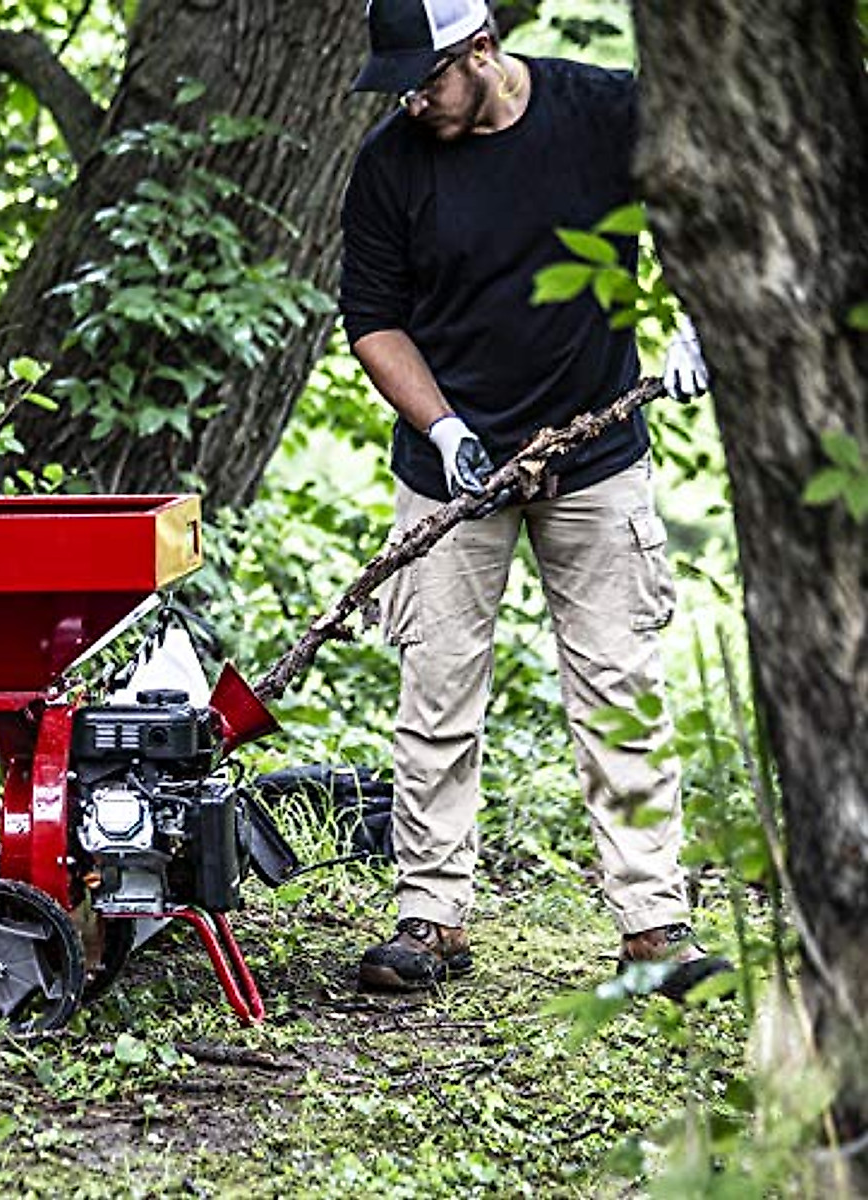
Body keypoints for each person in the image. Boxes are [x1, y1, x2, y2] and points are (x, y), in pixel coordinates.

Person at [340, 0, 730, 1000]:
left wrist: (697, 322)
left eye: (428, 79)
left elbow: (700, 206)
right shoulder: (392, 164)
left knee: (620, 686)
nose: (414, 101)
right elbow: (375, 323)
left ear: (483, 51)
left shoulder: (606, 113)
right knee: (436, 694)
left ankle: (654, 930)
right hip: (453, 474)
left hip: (596, 459)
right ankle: (431, 918)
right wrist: (447, 433)